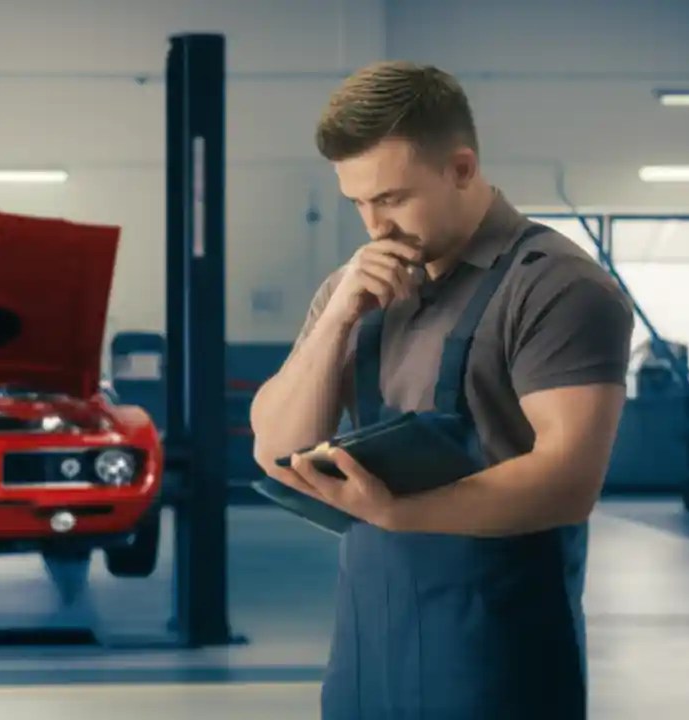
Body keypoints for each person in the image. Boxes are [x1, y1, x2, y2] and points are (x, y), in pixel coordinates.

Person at [249, 61, 634, 719]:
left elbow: (570, 480)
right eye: (358, 203)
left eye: (392, 199)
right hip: (367, 654)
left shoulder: (558, 287)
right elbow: (275, 450)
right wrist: (337, 317)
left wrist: (400, 514)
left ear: (461, 168)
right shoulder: (356, 284)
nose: (374, 226)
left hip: (497, 662)